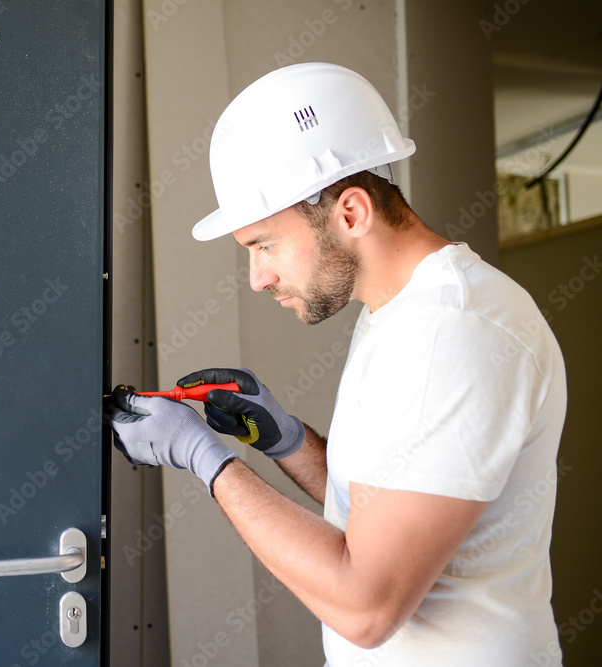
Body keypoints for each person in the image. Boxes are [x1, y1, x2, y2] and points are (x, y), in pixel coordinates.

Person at [105, 62, 567, 666]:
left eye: (264, 245)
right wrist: (286, 441)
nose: (257, 277)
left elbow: (366, 607)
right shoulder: (401, 315)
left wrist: (203, 457)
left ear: (350, 212)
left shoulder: (455, 331)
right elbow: (388, 514)